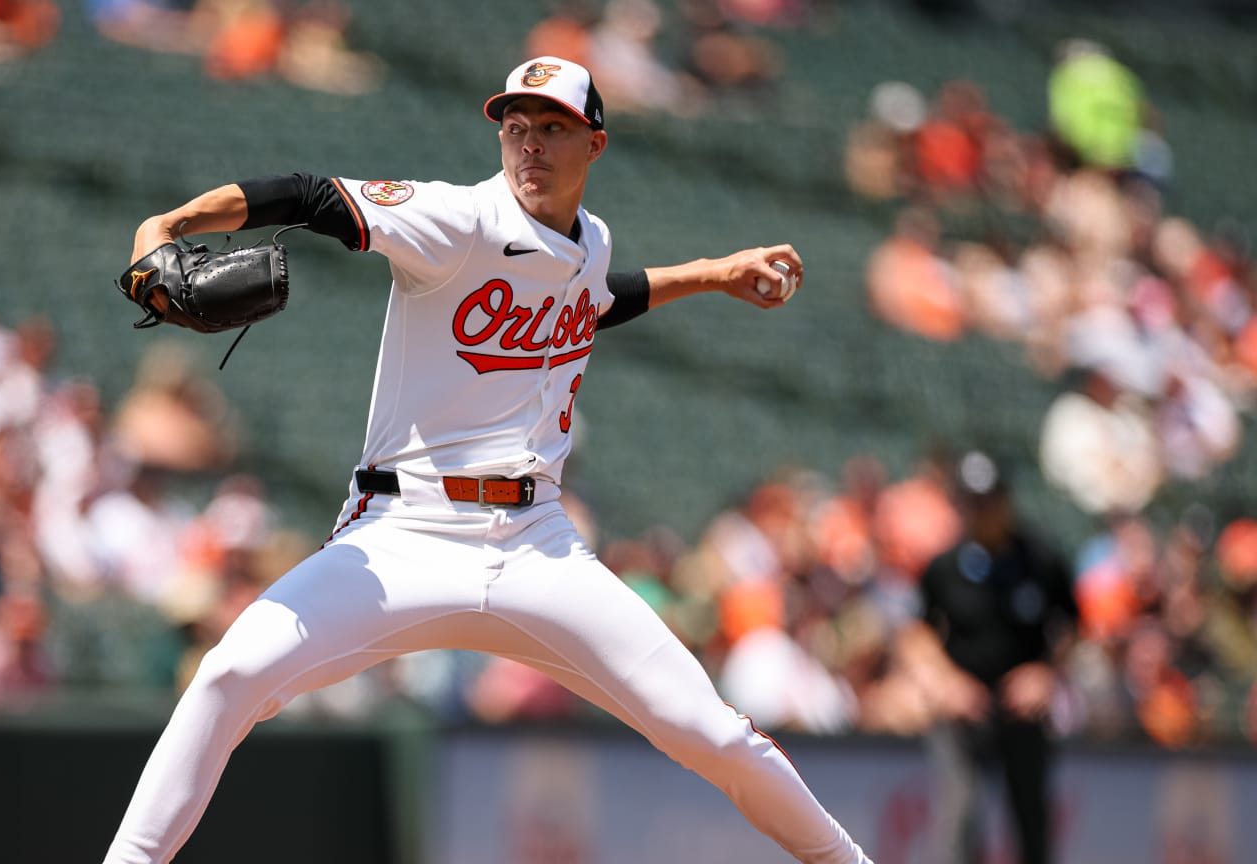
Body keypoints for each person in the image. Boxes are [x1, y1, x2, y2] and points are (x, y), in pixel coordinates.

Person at [103, 56, 871, 864]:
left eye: (551, 128)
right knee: (229, 677)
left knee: (712, 733)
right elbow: (309, 194)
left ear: (594, 144)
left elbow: (593, 299)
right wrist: (173, 226)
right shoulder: (457, 219)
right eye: (514, 127)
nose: (528, 145)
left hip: (539, 542)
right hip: (406, 530)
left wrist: (713, 274)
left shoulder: (589, 242)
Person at [898, 450, 1079, 864]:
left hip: (1023, 713)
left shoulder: (1041, 561)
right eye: (970, 501)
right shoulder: (944, 568)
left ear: (1005, 500)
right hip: (965, 713)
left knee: (1031, 823)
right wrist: (945, 682)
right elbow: (917, 633)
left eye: (988, 500)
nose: (980, 511)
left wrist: (1045, 673)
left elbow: (1072, 627)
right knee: (960, 821)